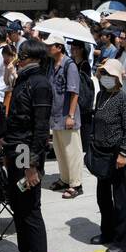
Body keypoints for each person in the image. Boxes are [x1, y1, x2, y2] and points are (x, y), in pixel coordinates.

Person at [0, 38, 51, 252]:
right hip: (15, 150)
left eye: (22, 53)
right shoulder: (23, 79)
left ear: (33, 56)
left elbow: (41, 129)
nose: (18, 56)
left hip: (28, 153)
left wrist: (33, 165)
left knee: (31, 211)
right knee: (18, 207)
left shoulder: (40, 83)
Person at [89, 58, 126, 252]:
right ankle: (107, 232)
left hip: (117, 154)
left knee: (120, 197)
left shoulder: (122, 98)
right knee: (103, 196)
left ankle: (123, 240)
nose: (105, 78)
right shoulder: (100, 95)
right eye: (103, 74)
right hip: (101, 153)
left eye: (109, 75)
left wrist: (124, 153)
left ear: (117, 78)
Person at [45, 35, 83, 198]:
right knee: (60, 151)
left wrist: (71, 115)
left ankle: (76, 184)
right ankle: (65, 178)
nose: (47, 48)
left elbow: (74, 92)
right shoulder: (51, 65)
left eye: (50, 46)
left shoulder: (70, 65)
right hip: (55, 114)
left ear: (59, 47)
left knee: (72, 150)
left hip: (67, 114)